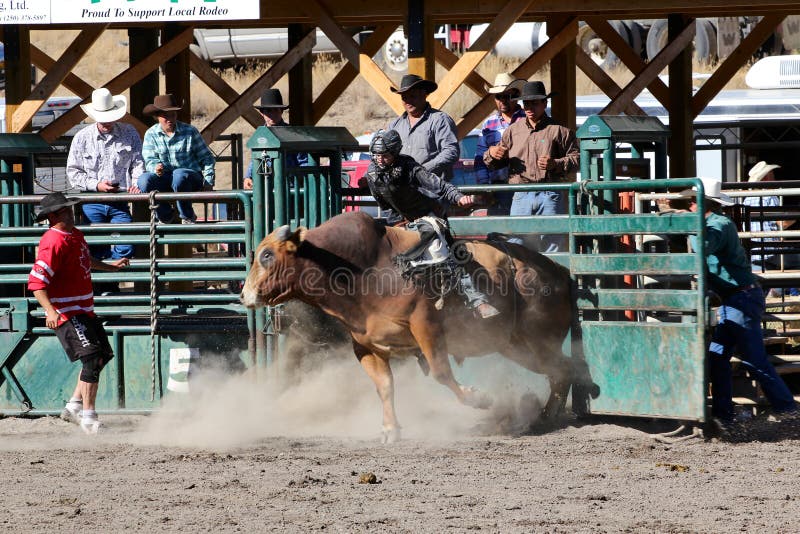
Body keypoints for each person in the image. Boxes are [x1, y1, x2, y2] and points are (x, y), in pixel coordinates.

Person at [680, 177, 797, 426]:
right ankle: (725, 414)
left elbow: (701, 247)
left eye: (692, 201)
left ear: (702, 203)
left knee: (752, 359)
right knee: (718, 355)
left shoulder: (718, 225)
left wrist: (688, 225)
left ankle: (788, 410)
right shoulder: (716, 223)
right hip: (736, 299)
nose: (690, 205)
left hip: (739, 299)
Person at [360, 129, 498, 319]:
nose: (380, 160)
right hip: (400, 223)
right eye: (376, 155)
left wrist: (458, 197)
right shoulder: (372, 174)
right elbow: (384, 205)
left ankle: (477, 300)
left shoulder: (409, 167)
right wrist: (396, 225)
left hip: (427, 217)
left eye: (385, 155)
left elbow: (439, 185)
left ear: (395, 153)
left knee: (444, 254)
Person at [28, 193, 129, 434]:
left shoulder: (75, 236)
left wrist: (109, 266)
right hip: (67, 312)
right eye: (66, 211)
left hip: (83, 310)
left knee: (102, 355)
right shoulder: (53, 242)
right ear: (53, 216)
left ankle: (74, 405)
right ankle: (88, 417)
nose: (72, 213)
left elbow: (85, 259)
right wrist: (50, 311)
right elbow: (36, 283)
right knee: (92, 358)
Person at [483, 80, 579, 252]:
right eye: (526, 103)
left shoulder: (559, 130)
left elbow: (577, 159)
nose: (529, 107)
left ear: (544, 103)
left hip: (550, 192)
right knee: (517, 244)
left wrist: (555, 164)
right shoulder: (513, 131)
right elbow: (493, 162)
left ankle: (553, 278)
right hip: (521, 193)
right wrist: (492, 154)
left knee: (552, 244)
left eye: (534, 103)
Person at [67, 87, 143, 260]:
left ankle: (111, 274)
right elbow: (73, 172)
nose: (107, 122)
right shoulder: (82, 137)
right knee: (94, 247)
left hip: (121, 199)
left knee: (126, 245)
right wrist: (96, 185)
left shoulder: (129, 132)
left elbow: (138, 162)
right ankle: (106, 283)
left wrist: (136, 183)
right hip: (92, 200)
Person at [138, 94, 216, 224]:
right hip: (165, 178)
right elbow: (149, 159)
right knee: (143, 180)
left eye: (173, 115)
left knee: (179, 174)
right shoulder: (150, 134)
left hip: (189, 178)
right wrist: (155, 167)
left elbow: (207, 158)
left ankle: (187, 215)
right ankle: (165, 214)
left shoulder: (190, 131)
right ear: (157, 116)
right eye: (165, 115)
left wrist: (208, 181)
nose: (170, 119)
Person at [387, 74, 459, 181]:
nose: (407, 101)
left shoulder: (440, 120)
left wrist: (421, 171)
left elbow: (451, 151)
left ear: (424, 94)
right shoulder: (395, 125)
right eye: (404, 97)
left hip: (433, 189)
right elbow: (385, 153)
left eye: (412, 96)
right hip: (404, 190)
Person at [474, 73, 526, 215]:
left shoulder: (528, 119)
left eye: (507, 96)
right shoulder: (488, 124)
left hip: (525, 186)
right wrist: (484, 188)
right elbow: (479, 159)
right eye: (498, 97)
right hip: (497, 189)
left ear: (516, 96)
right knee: (497, 233)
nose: (502, 101)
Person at [243, 88, 308, 190]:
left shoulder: (293, 135)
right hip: (265, 189)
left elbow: (304, 163)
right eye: (268, 110)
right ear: (262, 113)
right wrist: (248, 177)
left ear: (281, 111)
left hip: (289, 190)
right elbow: (255, 159)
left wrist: (298, 179)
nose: (272, 114)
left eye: (276, 110)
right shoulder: (259, 135)